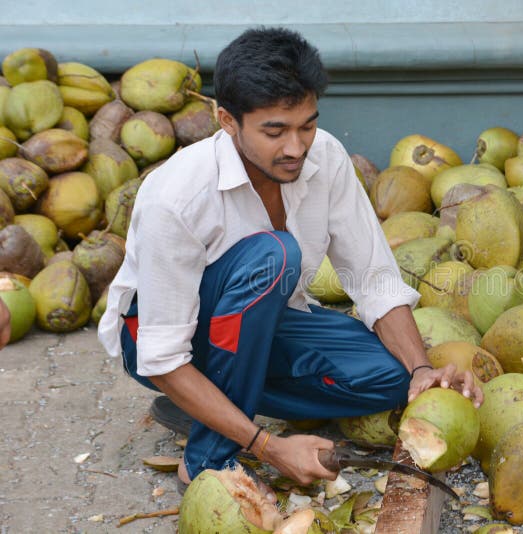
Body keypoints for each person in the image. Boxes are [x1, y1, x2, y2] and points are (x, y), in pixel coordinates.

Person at [98, 26, 482, 495]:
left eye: (307, 125)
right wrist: (268, 447)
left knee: (392, 377)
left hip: (260, 322)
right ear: (227, 121)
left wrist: (422, 371)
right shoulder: (175, 198)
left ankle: (209, 404)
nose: (296, 147)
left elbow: (375, 281)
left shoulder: (326, 160)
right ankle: (205, 460)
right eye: (275, 131)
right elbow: (162, 356)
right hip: (157, 339)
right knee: (272, 254)